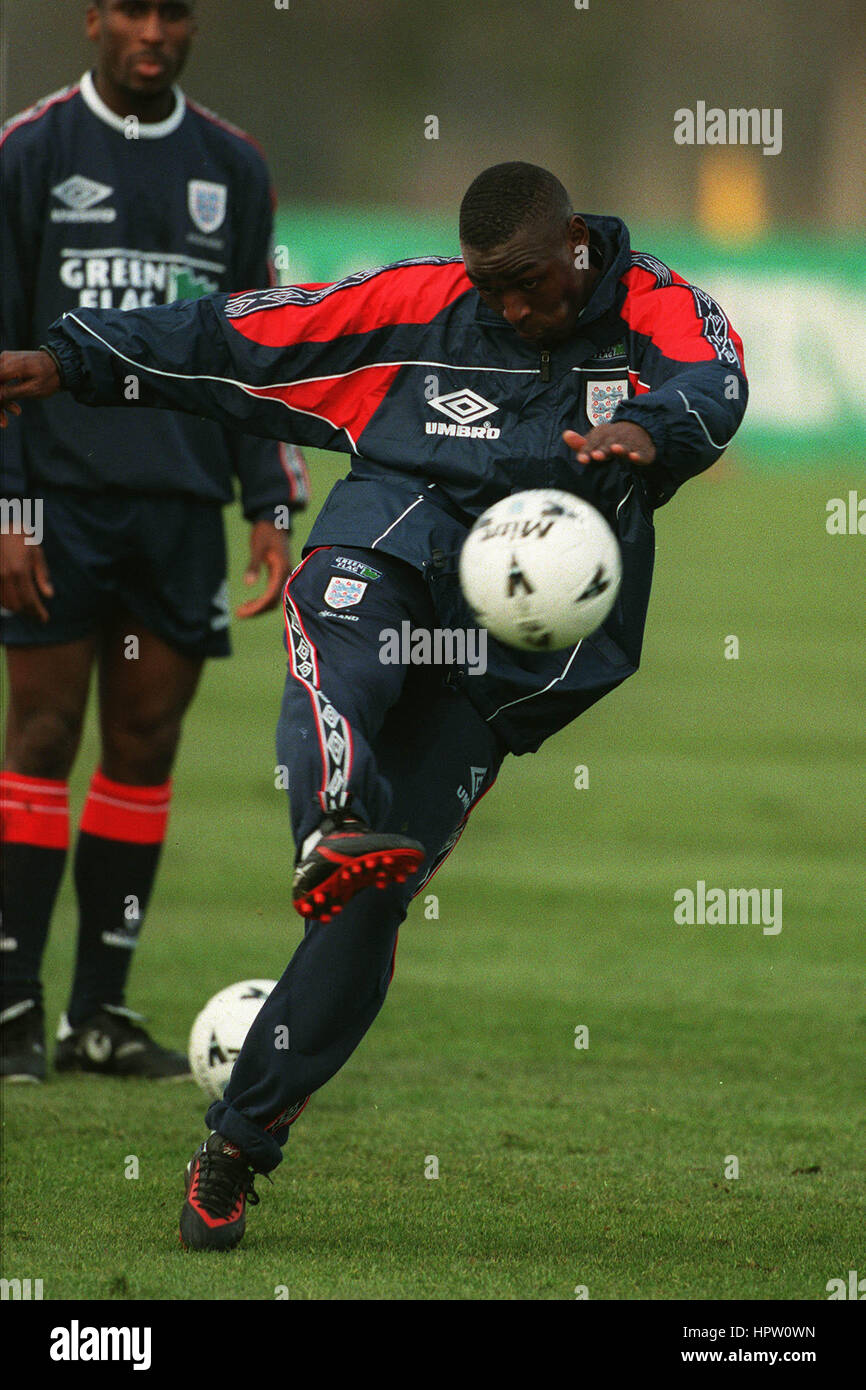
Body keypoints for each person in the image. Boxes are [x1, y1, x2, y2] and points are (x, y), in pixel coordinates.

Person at [0, 161, 747, 1247]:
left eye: (531, 284)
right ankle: (330, 822)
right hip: (393, 545)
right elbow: (236, 334)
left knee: (369, 906)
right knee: (340, 623)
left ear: (576, 242)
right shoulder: (418, 303)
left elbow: (710, 384)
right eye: (491, 288)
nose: (512, 309)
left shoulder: (658, 310)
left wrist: (649, 432)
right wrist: (65, 361)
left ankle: (235, 1147)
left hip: (503, 661)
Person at [0, 0, 309, 1083]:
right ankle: (10, 1011)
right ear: (92, 20)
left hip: (179, 506)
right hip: (56, 504)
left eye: (174, 12)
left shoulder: (233, 163)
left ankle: (99, 1014)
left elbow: (259, 346)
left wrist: (268, 498)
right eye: (132, 8)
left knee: (145, 748)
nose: (153, 30)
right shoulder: (29, 151)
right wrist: (8, 510)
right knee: (40, 739)